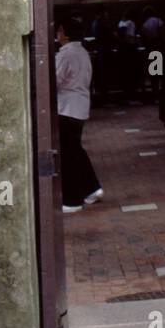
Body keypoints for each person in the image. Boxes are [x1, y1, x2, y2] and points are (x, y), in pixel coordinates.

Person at [56, 16, 103, 213]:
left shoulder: (66, 54)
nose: (57, 34)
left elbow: (54, 80)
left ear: (65, 34)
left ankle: (73, 201)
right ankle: (92, 189)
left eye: (59, 31)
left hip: (67, 108)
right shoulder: (82, 51)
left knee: (68, 156)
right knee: (76, 150)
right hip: (79, 107)